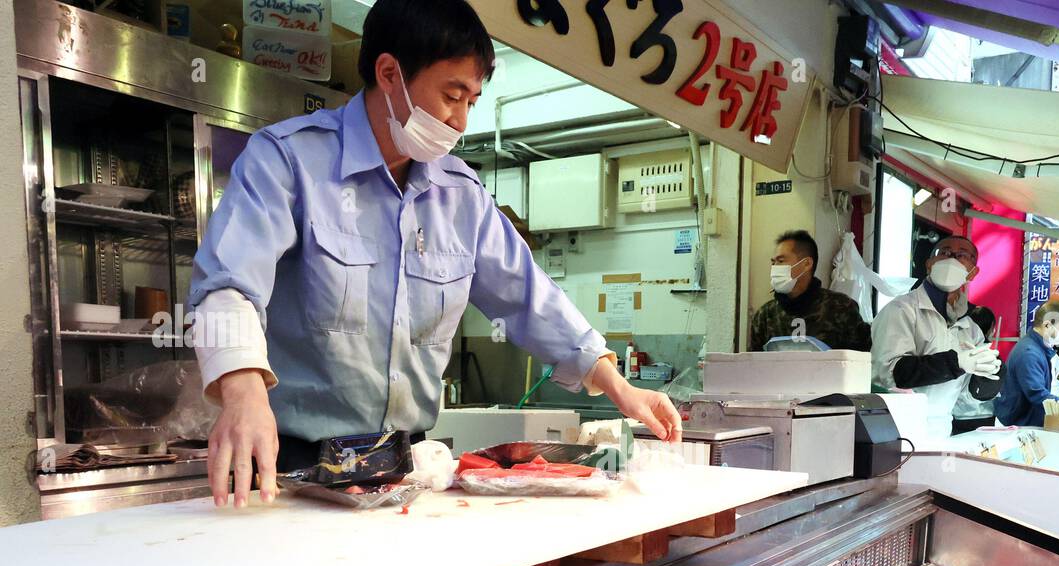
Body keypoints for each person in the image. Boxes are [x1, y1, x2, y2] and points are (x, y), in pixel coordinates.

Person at [189, 0, 681, 507]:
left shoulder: (460, 195)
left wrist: (617, 384)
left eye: (473, 101)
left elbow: (527, 296)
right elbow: (225, 284)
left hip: (406, 469)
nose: (461, 120)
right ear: (389, 73)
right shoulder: (289, 159)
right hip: (291, 467)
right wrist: (242, 389)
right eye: (452, 95)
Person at [871, 235, 1000, 438]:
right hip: (895, 430)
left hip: (941, 433)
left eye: (962, 255)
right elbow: (888, 373)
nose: (951, 259)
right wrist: (955, 363)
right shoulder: (901, 310)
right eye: (944, 253)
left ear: (973, 272)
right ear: (929, 264)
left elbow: (966, 398)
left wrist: (988, 378)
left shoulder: (971, 328)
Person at [748, 231, 872, 352]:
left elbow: (860, 363)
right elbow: (752, 366)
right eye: (773, 262)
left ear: (806, 264)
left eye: (781, 261)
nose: (774, 267)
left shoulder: (841, 308)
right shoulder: (765, 315)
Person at [951, 303, 1001, 434]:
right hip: (984, 415)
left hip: (958, 414)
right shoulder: (991, 354)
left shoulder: (956, 347)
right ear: (991, 328)